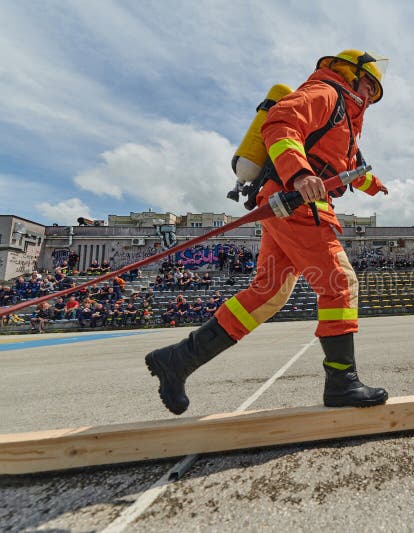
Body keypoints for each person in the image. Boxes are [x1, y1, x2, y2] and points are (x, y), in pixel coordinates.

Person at [145, 50, 391, 415]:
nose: (369, 94)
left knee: (268, 294)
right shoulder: (327, 93)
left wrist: (374, 184)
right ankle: (342, 381)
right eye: (368, 84)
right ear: (349, 74)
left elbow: (346, 164)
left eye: (374, 90)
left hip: (285, 205)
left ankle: (179, 360)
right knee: (339, 282)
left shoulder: (349, 123)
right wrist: (300, 174)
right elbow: (280, 123)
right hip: (297, 203)